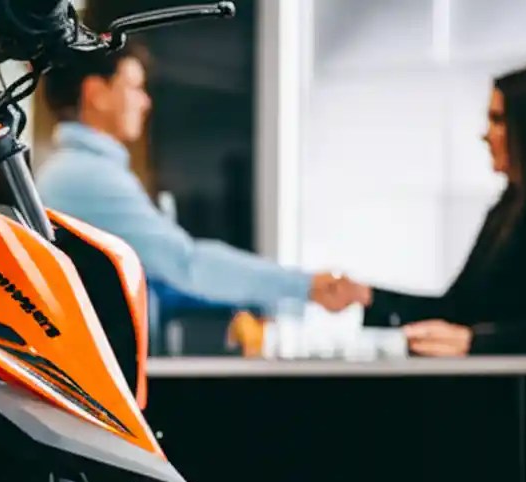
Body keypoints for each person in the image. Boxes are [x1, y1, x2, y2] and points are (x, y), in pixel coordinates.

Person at [34, 44, 363, 321]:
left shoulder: (77, 172)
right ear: (96, 94)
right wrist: (303, 286)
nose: (145, 102)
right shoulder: (86, 178)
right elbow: (185, 265)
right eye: (134, 87)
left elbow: (159, 279)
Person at [354, 63, 526, 356]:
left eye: (498, 120)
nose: (485, 135)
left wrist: (473, 343)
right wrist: (367, 297)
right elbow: (458, 308)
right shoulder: (510, 207)